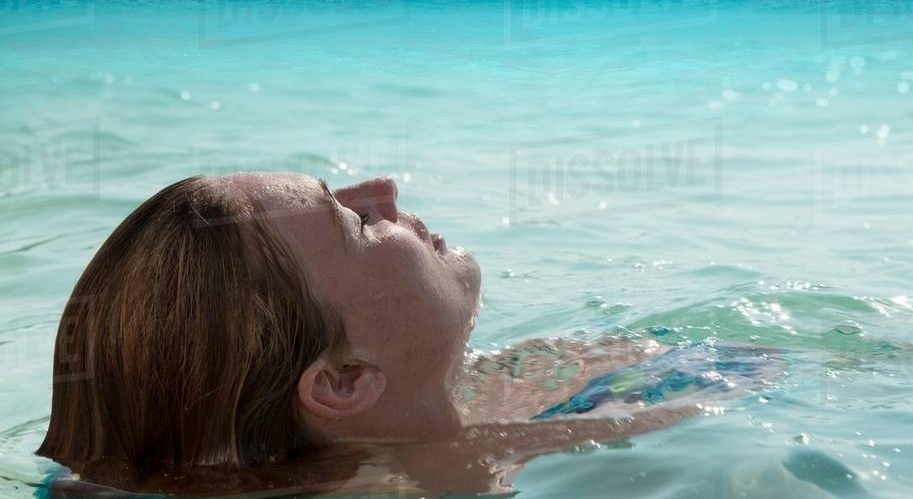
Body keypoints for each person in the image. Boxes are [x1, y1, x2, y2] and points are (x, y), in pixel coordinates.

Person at [35, 173, 705, 496]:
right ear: (343, 380)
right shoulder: (434, 483)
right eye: (353, 223)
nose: (381, 190)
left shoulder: (454, 413)